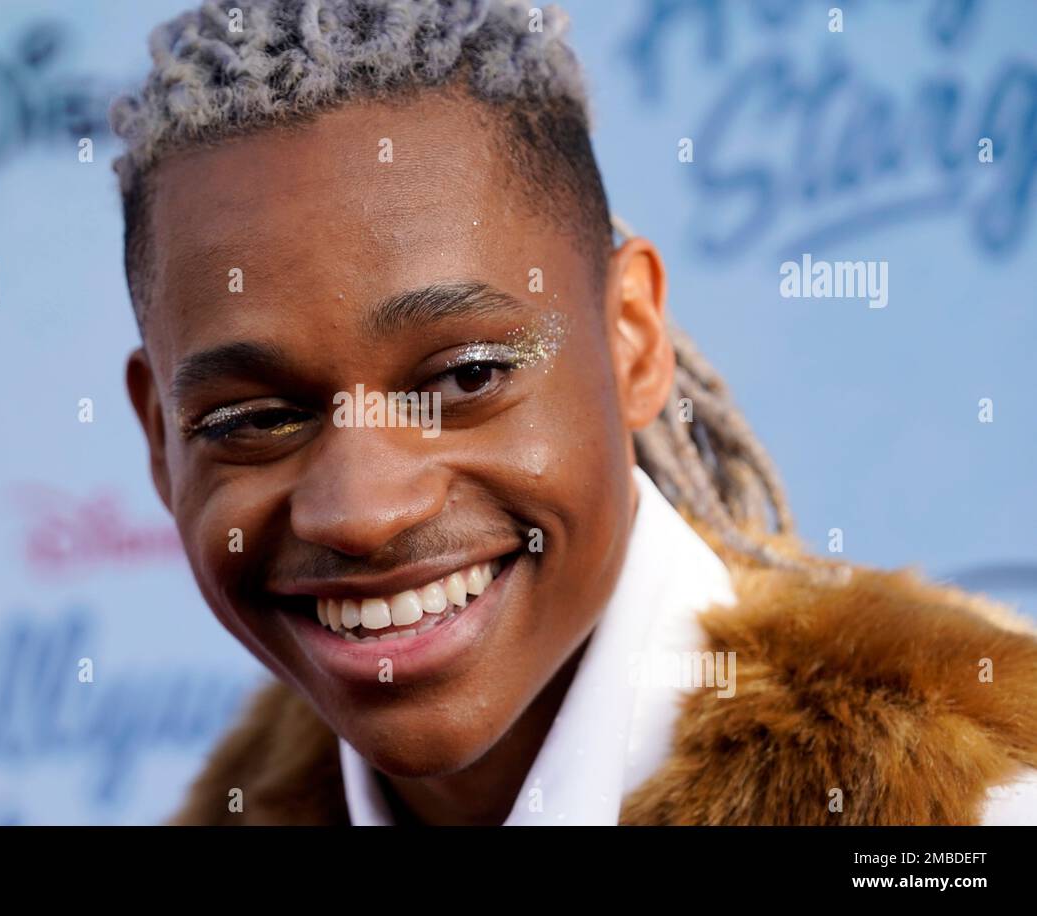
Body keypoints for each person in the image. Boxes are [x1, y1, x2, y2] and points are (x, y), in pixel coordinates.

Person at [110, 0, 1037, 825]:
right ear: (161, 441)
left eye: (467, 378)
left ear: (633, 339)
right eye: (255, 420)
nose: (360, 512)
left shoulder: (968, 807)